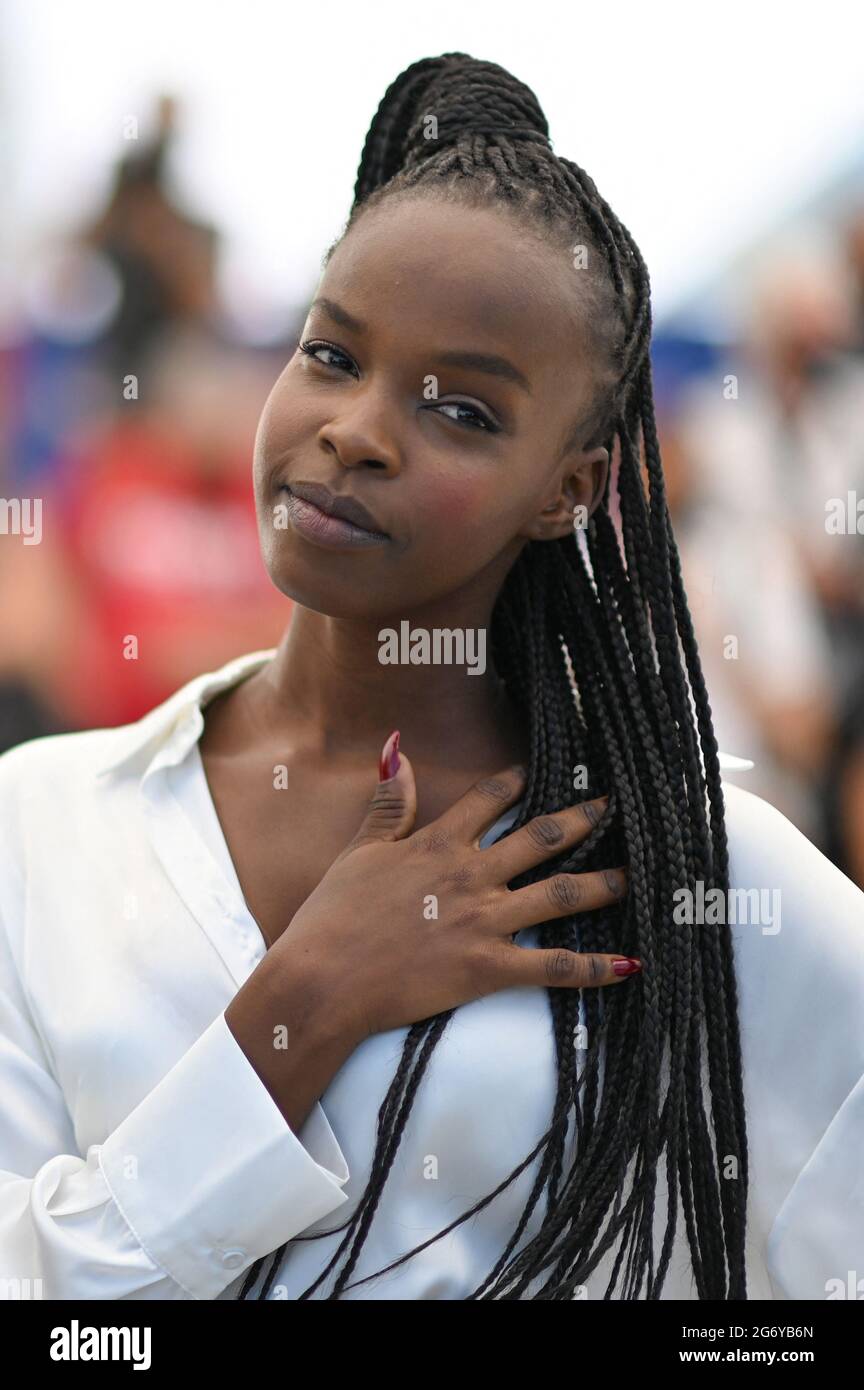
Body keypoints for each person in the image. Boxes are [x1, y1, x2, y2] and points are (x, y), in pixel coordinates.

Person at [1, 53, 862, 1303]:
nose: (354, 429)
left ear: (572, 486)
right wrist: (305, 1000)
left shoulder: (694, 873)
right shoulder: (40, 824)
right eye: (333, 355)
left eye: (461, 409)